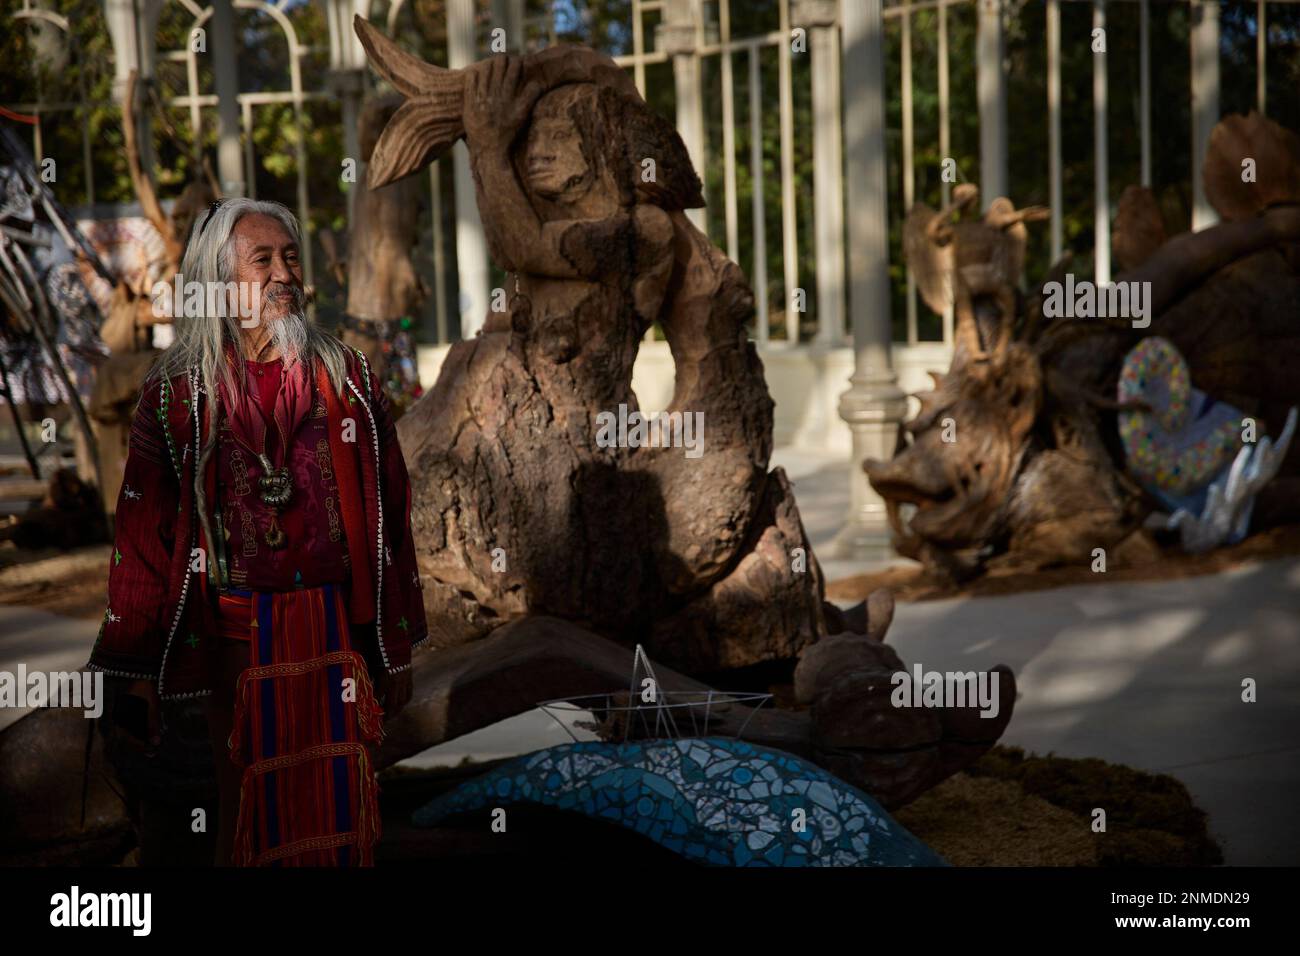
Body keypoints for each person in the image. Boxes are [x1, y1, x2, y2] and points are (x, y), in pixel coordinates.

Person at [86, 198, 427, 866]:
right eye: (262, 259)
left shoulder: (348, 380)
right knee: (245, 809)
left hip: (337, 636)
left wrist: (398, 642)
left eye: (291, 256)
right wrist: (132, 667)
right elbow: (142, 532)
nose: (284, 274)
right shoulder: (177, 394)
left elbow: (392, 511)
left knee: (341, 808)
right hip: (231, 644)